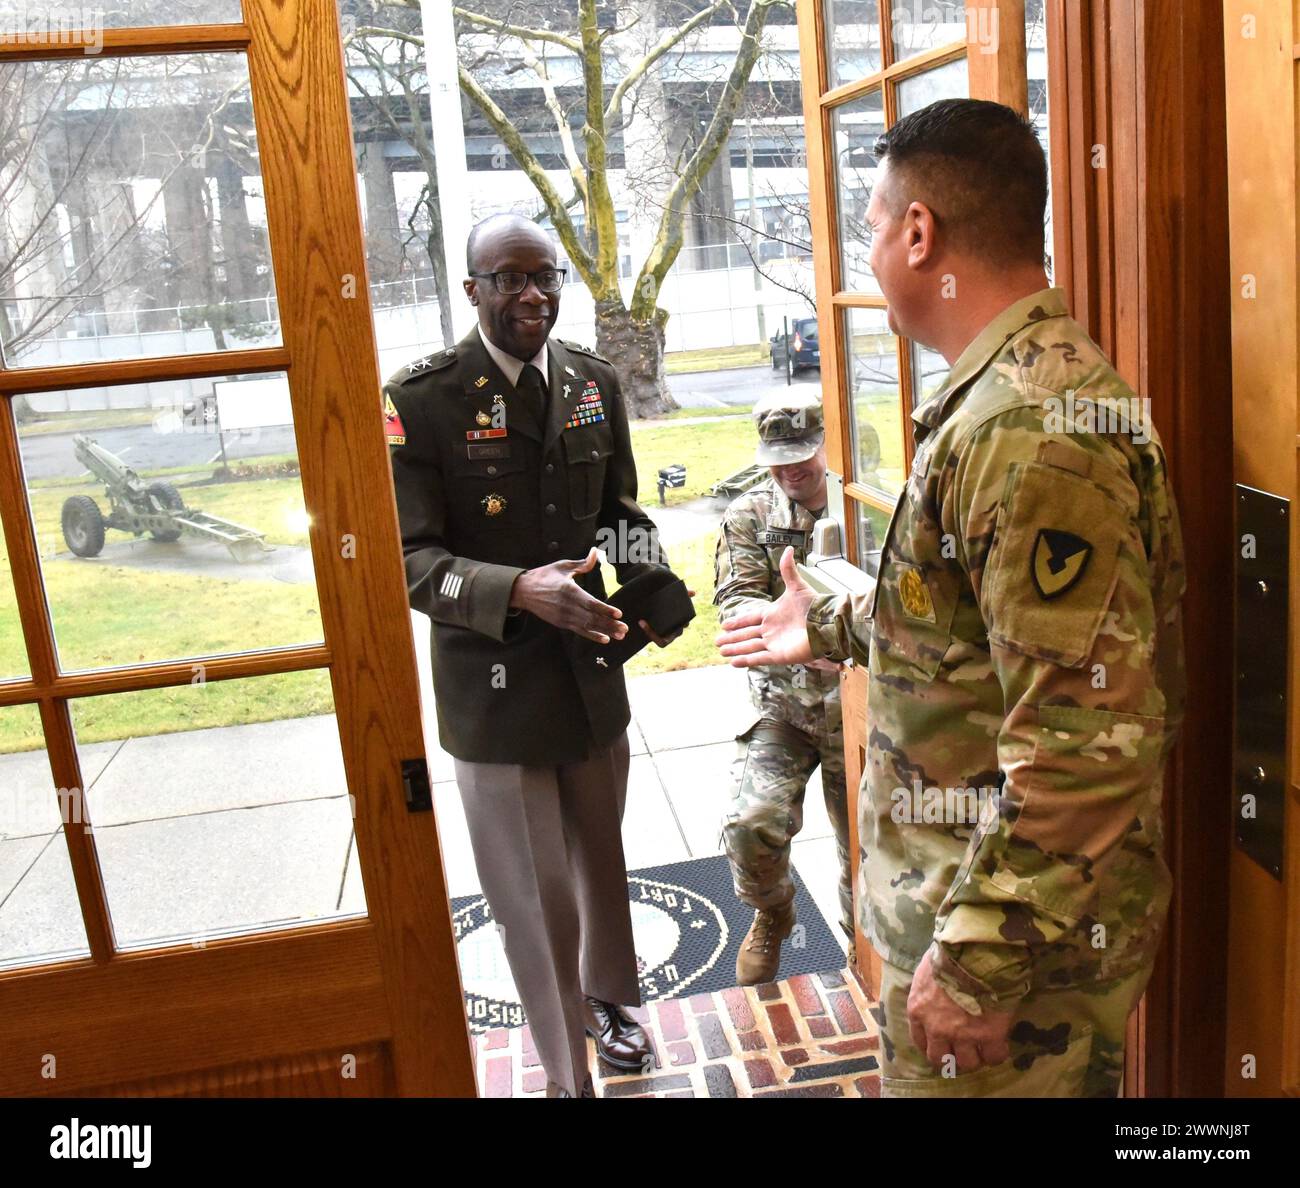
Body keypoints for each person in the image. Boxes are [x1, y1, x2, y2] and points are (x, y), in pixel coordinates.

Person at [716, 98, 1185, 1097]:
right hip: (979, 923)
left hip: (1007, 974)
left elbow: (1084, 742)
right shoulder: (1007, 402)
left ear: (919, 232)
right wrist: (831, 623)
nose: (871, 250)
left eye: (872, 222)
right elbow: (969, 632)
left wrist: (976, 965)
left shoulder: (1031, 429)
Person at [385, 212, 685, 1098]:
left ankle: (609, 1008)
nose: (532, 294)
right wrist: (519, 590)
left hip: (591, 684)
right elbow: (410, 560)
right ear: (470, 289)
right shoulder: (422, 400)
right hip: (497, 697)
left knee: (598, 865)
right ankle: (566, 1074)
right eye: (508, 277)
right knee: (534, 899)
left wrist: (656, 592)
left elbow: (618, 514)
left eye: (545, 276)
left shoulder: (593, 380)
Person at [713, 393, 854, 984]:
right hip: (786, 710)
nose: (790, 469)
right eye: (777, 458)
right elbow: (734, 600)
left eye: (801, 454)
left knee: (872, 857)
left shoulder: (866, 503)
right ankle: (774, 913)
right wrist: (778, 626)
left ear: (825, 441)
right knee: (751, 826)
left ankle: (861, 957)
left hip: (860, 712)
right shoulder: (750, 514)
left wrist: (837, 639)